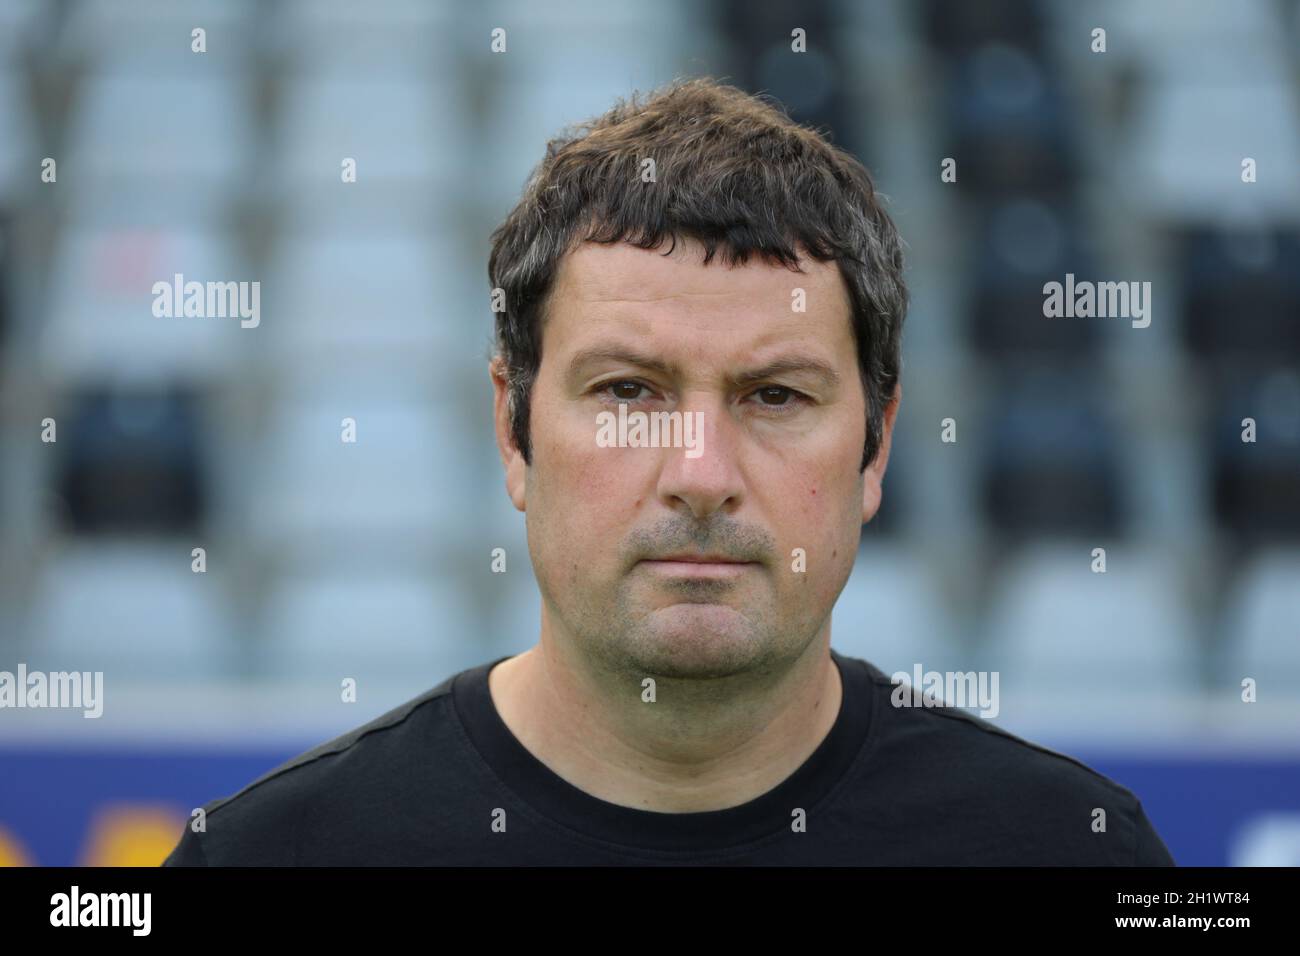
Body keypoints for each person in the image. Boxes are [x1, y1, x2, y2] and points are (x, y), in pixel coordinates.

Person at [164, 77, 1174, 866]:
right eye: (627, 392)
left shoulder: (1069, 847)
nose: (698, 472)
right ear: (512, 432)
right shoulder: (271, 856)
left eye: (774, 396)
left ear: (877, 446)